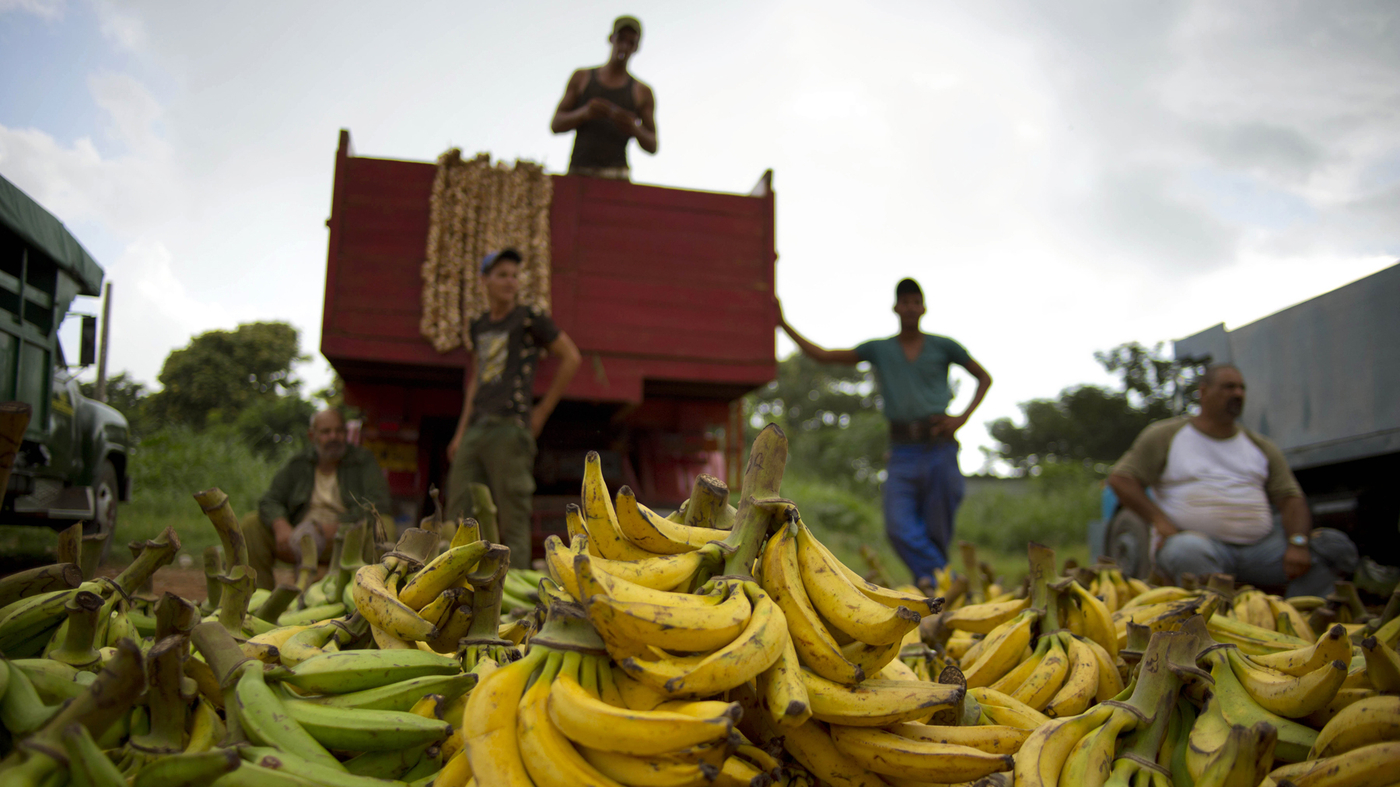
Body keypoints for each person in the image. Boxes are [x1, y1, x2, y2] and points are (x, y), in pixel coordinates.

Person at [776, 279, 993, 582]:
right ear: (895, 307)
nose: (910, 307)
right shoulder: (880, 349)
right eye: (904, 302)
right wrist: (783, 324)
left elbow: (984, 377)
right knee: (898, 526)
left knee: (937, 527)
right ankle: (950, 581)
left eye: (915, 302)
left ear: (923, 307)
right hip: (902, 451)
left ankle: (936, 588)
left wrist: (962, 417)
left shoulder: (944, 347)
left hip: (940, 447)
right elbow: (824, 355)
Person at [1107, 364, 1357, 597]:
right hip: (1199, 546)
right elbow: (1121, 479)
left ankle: (1298, 618)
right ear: (1203, 392)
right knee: (1185, 551)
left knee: (1333, 548)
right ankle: (1216, 623)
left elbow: (1291, 499)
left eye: (1242, 388)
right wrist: (1159, 520)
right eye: (1228, 387)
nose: (1238, 394)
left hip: (1262, 551)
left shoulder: (1260, 446)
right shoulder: (1166, 436)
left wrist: (1298, 543)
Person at [446, 249, 581, 568]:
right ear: (485, 281)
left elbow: (571, 357)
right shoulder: (478, 325)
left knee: (513, 516)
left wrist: (541, 411)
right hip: (477, 426)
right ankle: (455, 581)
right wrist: (460, 432)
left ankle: (516, 592)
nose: (510, 281)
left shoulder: (529, 318)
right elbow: (476, 378)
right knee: (457, 510)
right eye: (502, 275)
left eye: (514, 275)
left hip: (510, 427)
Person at [244, 409, 392, 589]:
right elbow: (270, 500)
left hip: (345, 538)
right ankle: (257, 598)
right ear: (312, 435)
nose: (334, 437)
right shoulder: (298, 464)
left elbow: (379, 501)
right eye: (326, 432)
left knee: (384, 525)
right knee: (251, 524)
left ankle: (370, 595)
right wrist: (280, 525)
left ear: (346, 433)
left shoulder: (363, 461)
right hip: (299, 538)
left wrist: (339, 525)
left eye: (339, 431)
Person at [551, 15, 658, 180]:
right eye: (621, 39)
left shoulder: (642, 92)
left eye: (631, 42)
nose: (624, 46)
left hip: (617, 177)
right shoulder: (582, 78)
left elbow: (652, 144)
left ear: (636, 47)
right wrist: (585, 113)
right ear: (611, 39)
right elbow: (556, 124)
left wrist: (633, 128)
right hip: (579, 173)